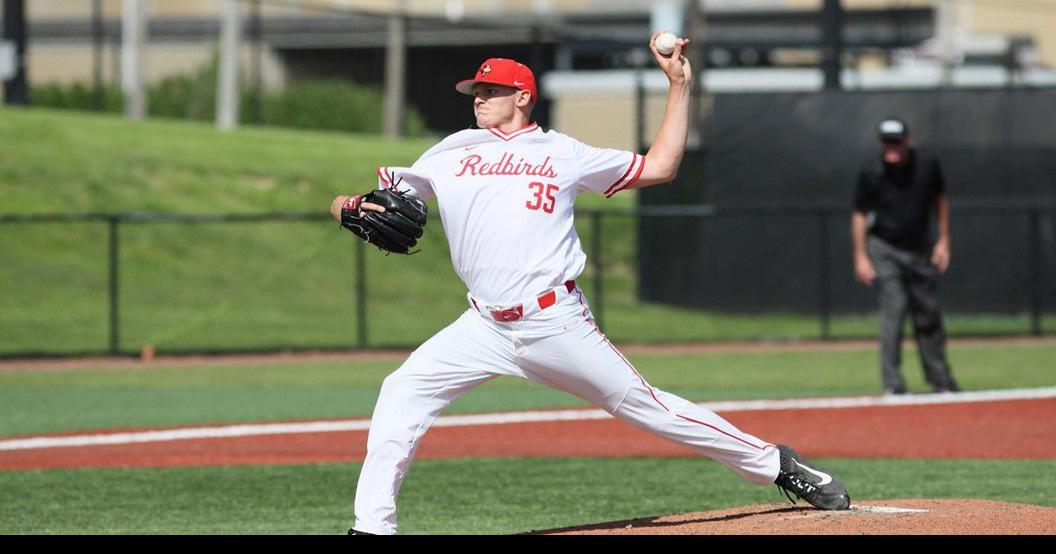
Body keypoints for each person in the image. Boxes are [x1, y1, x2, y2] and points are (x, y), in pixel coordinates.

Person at [333, 34, 850, 535]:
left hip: (554, 320)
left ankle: (776, 464)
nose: (479, 99)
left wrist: (678, 85)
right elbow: (371, 198)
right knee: (401, 391)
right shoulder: (451, 150)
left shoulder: (563, 153)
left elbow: (661, 166)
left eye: (490, 91)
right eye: (476, 92)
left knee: (651, 409)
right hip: (483, 324)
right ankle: (372, 528)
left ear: (522, 97)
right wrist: (347, 208)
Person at [852, 117, 960, 396]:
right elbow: (860, 214)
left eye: (897, 142)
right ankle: (893, 384)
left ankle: (941, 380)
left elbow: (940, 201)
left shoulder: (926, 165)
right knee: (894, 311)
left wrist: (944, 240)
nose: (892, 148)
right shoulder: (871, 170)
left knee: (928, 314)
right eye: (887, 142)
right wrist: (861, 256)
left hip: (921, 248)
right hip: (885, 247)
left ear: (907, 141)